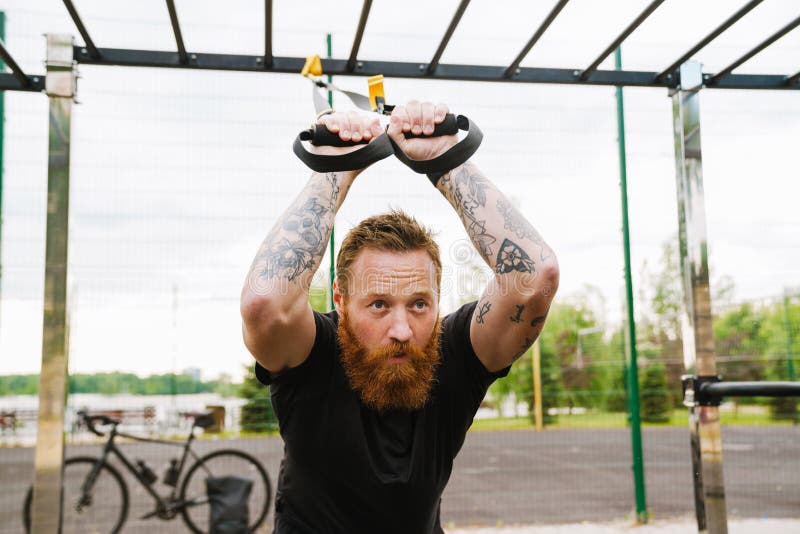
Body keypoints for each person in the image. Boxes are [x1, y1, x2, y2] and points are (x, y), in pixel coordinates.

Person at [240, 101, 559, 533]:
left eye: (419, 304)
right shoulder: (313, 355)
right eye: (378, 305)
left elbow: (535, 277)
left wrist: (446, 161)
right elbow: (263, 303)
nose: (403, 330)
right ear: (340, 299)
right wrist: (334, 171)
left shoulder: (453, 358)